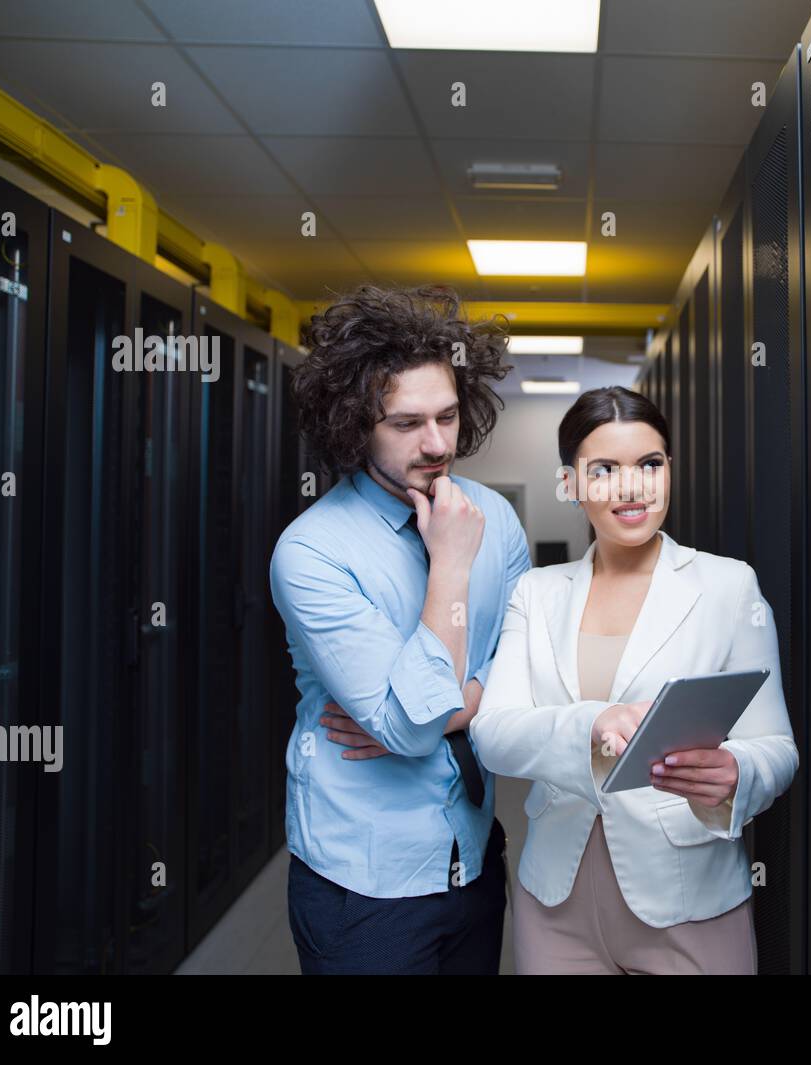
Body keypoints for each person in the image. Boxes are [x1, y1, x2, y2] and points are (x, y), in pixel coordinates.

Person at [470, 386, 798, 974]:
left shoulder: (729, 587)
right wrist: (592, 723)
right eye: (604, 469)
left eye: (649, 464)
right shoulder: (536, 594)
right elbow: (493, 733)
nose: (632, 487)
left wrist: (737, 773)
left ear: (669, 469)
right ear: (570, 483)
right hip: (557, 903)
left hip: (689, 898)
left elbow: (777, 749)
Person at [269, 284, 531, 974]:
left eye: (447, 415)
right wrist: (448, 564)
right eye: (407, 423)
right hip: (366, 882)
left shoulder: (494, 518)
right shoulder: (311, 552)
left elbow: (532, 665)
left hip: (472, 854)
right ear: (355, 426)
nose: (439, 442)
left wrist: (453, 708)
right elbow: (415, 725)